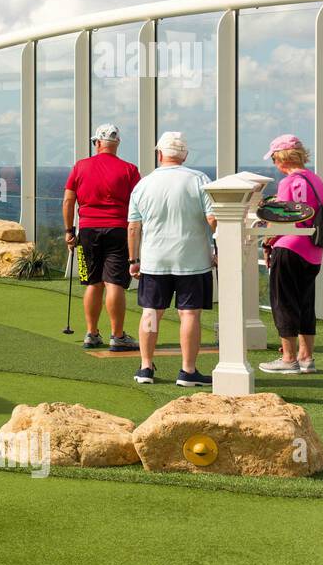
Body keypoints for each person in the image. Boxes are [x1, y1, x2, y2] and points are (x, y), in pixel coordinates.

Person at [127, 131, 216, 386]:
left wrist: (134, 259)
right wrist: (220, 247)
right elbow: (212, 220)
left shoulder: (143, 184)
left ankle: (145, 367)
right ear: (184, 154)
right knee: (189, 315)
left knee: (151, 312)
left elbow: (134, 227)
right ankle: (188, 371)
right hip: (193, 260)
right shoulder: (199, 179)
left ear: (159, 153)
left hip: (154, 260)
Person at [63, 123, 142, 351]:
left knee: (92, 283)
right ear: (117, 143)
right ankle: (117, 336)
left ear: (97, 143)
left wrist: (70, 231)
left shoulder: (80, 166)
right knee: (115, 283)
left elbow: (69, 201)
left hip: (87, 231)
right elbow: (139, 204)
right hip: (119, 230)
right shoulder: (130, 169)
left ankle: (92, 333)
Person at [259, 135, 323, 374]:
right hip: (313, 251)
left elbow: (280, 220)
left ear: (283, 157)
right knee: (305, 303)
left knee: (283, 302)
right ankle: (306, 358)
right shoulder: (317, 181)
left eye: (275, 157)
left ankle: (288, 359)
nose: (274, 162)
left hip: (288, 248)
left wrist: (267, 243)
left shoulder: (288, 183)